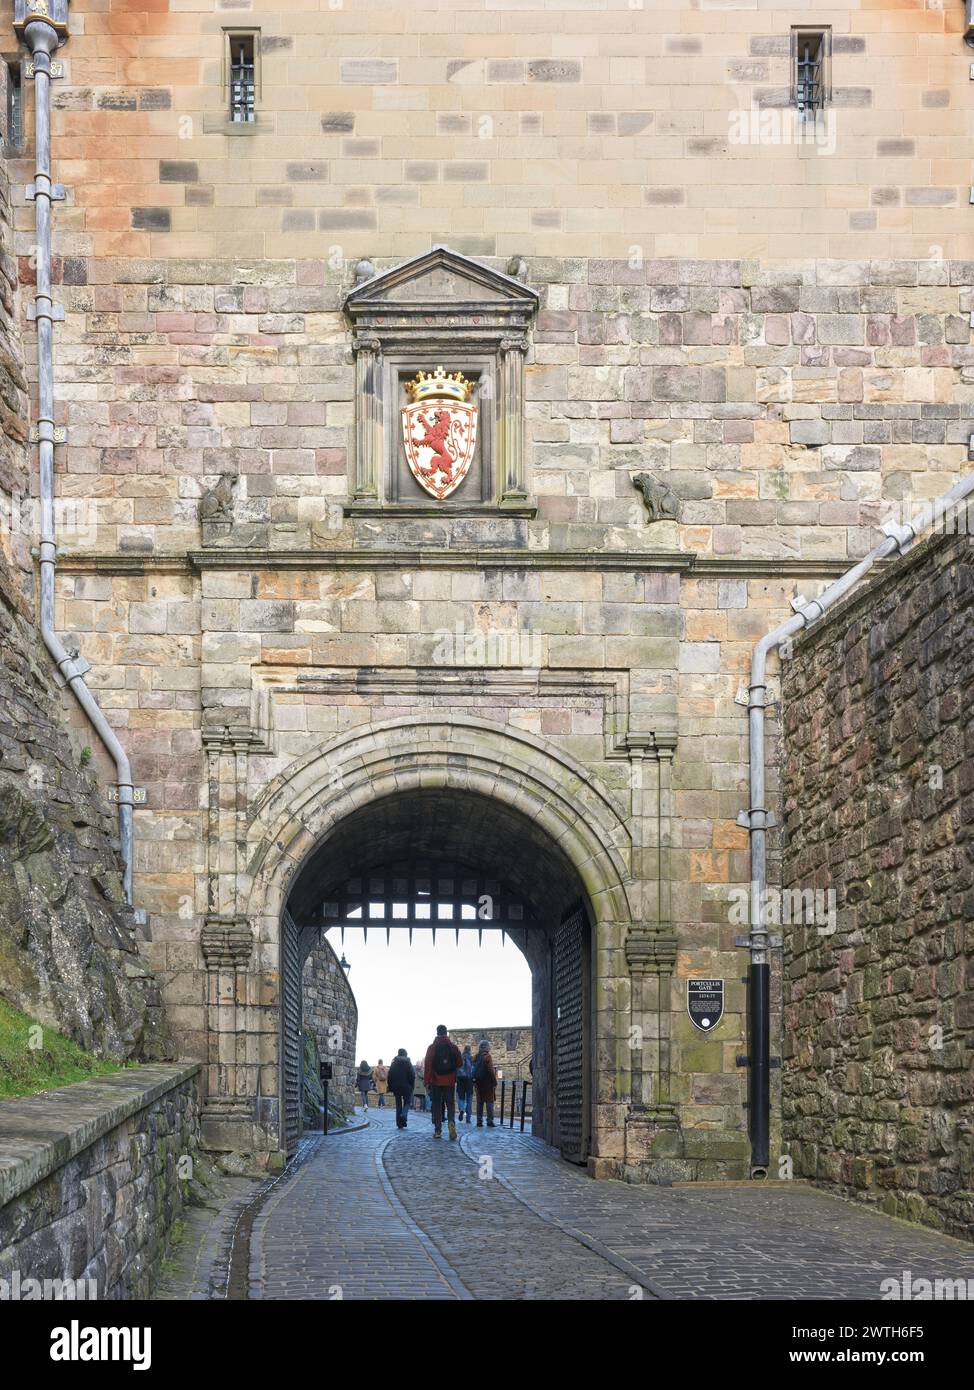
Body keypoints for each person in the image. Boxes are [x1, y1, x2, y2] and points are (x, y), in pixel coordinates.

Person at [423, 1024, 462, 1140]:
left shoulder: (432, 1047)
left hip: (436, 1080)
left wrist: (427, 1081)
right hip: (449, 1081)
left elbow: (428, 1065)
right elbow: (460, 1063)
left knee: (437, 1105)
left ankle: (438, 1130)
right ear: (446, 1033)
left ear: (437, 1033)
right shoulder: (453, 1047)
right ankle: (451, 1123)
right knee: (450, 1104)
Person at [387, 1049, 415, 1130]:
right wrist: (411, 1085)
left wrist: (390, 1086)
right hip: (407, 1086)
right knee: (407, 1102)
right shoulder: (408, 1063)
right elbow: (412, 1075)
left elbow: (390, 1076)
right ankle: (404, 1114)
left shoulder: (394, 1063)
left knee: (398, 1104)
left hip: (396, 1087)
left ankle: (399, 1124)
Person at [473, 1039, 497, 1127]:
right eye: (488, 1046)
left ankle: (479, 1121)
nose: (489, 1047)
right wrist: (494, 1082)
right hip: (487, 1083)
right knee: (489, 1102)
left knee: (480, 1102)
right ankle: (490, 1120)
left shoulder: (475, 1057)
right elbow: (491, 1070)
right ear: (485, 1047)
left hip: (478, 1082)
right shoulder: (487, 1057)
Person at [456, 1045, 475, 1124]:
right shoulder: (471, 1058)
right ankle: (468, 1118)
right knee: (469, 1099)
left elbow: (456, 1068)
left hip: (460, 1079)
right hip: (469, 1080)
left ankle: (461, 1110)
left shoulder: (460, 1058)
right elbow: (474, 1069)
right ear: (469, 1050)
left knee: (461, 1097)